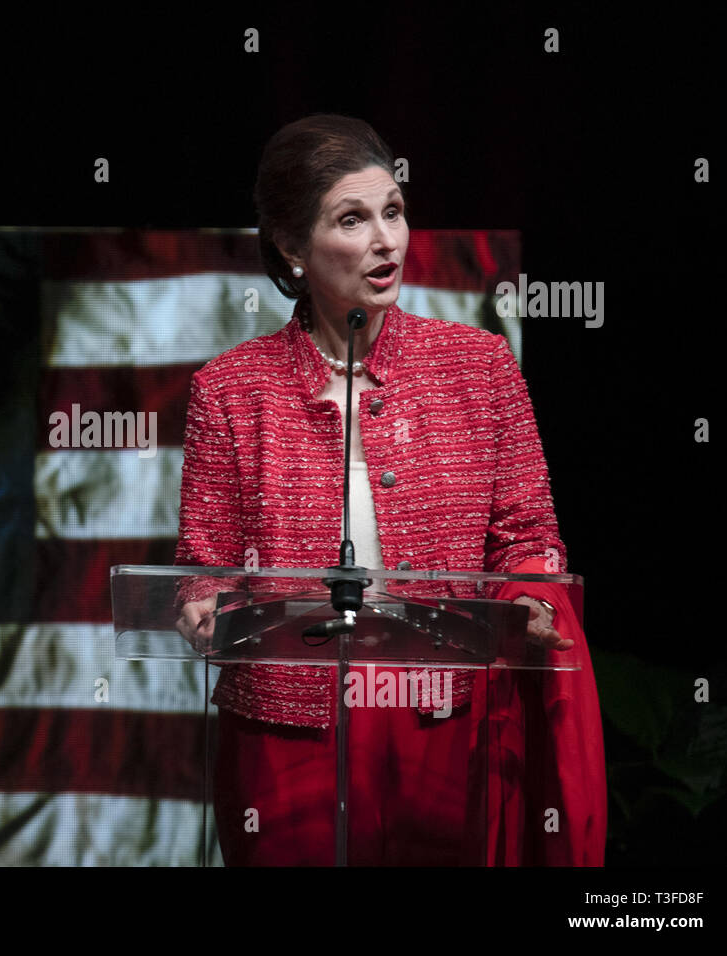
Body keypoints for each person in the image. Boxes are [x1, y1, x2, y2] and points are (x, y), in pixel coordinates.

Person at [173, 115, 606, 865]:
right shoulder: (229, 389)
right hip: (283, 731)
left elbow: (528, 535)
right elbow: (203, 563)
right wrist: (201, 603)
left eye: (394, 211)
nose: (387, 240)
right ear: (289, 246)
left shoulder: (481, 366)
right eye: (353, 219)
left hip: (438, 714)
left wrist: (531, 599)